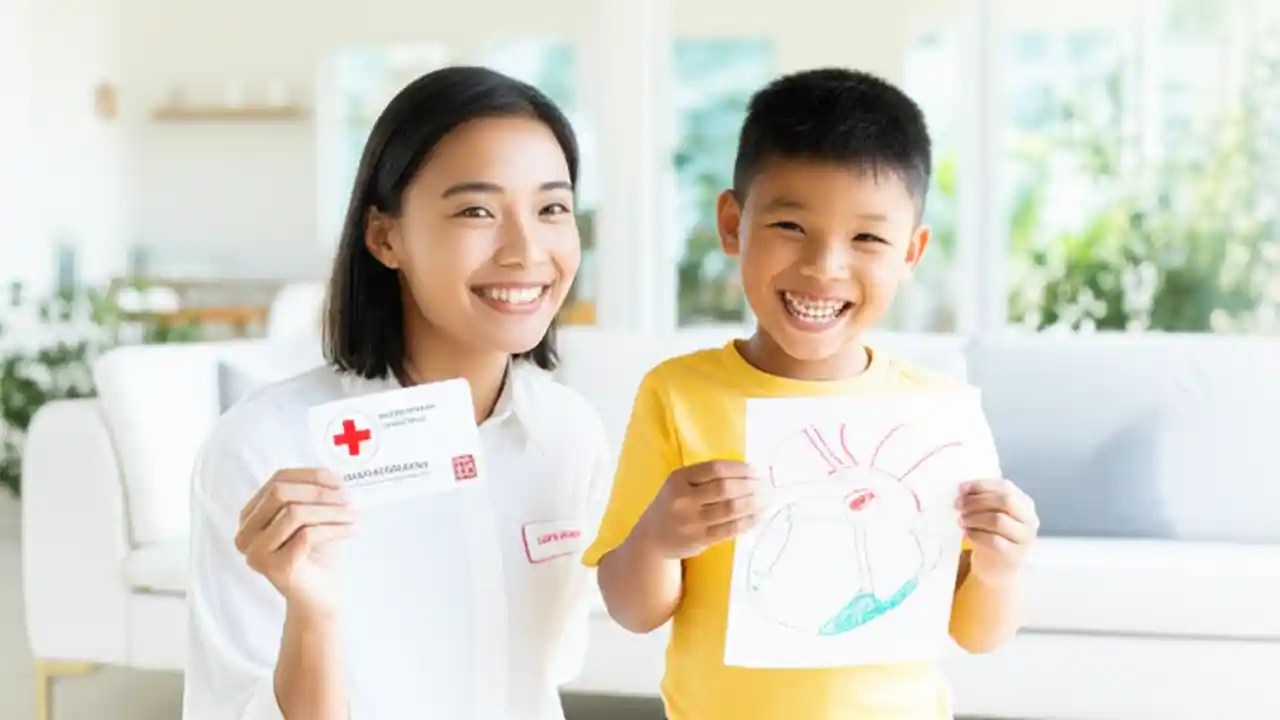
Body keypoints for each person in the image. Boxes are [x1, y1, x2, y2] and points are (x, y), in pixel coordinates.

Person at [582, 68, 1040, 719]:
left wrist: (1001, 566)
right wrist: (656, 539)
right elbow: (634, 611)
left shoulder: (939, 414)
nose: (825, 266)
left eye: (868, 238)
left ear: (911, 253)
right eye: (791, 226)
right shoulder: (678, 393)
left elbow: (977, 631)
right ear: (733, 224)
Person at [184, 66, 609, 720]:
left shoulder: (567, 432)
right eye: (477, 211)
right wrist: (315, 610)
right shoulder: (266, 446)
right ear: (385, 237)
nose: (527, 250)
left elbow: (547, 668)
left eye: (552, 208)